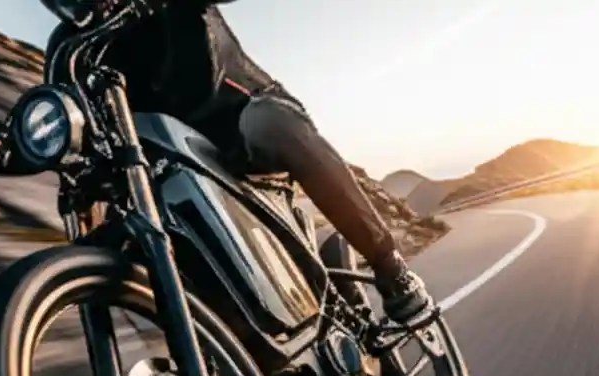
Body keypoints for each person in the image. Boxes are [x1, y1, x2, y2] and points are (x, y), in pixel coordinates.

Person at [42, 0, 433, 322]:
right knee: (132, 241)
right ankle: (215, 363)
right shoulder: (67, 51)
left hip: (242, 122)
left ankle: (389, 266)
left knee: (271, 124)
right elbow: (70, 135)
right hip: (169, 170)